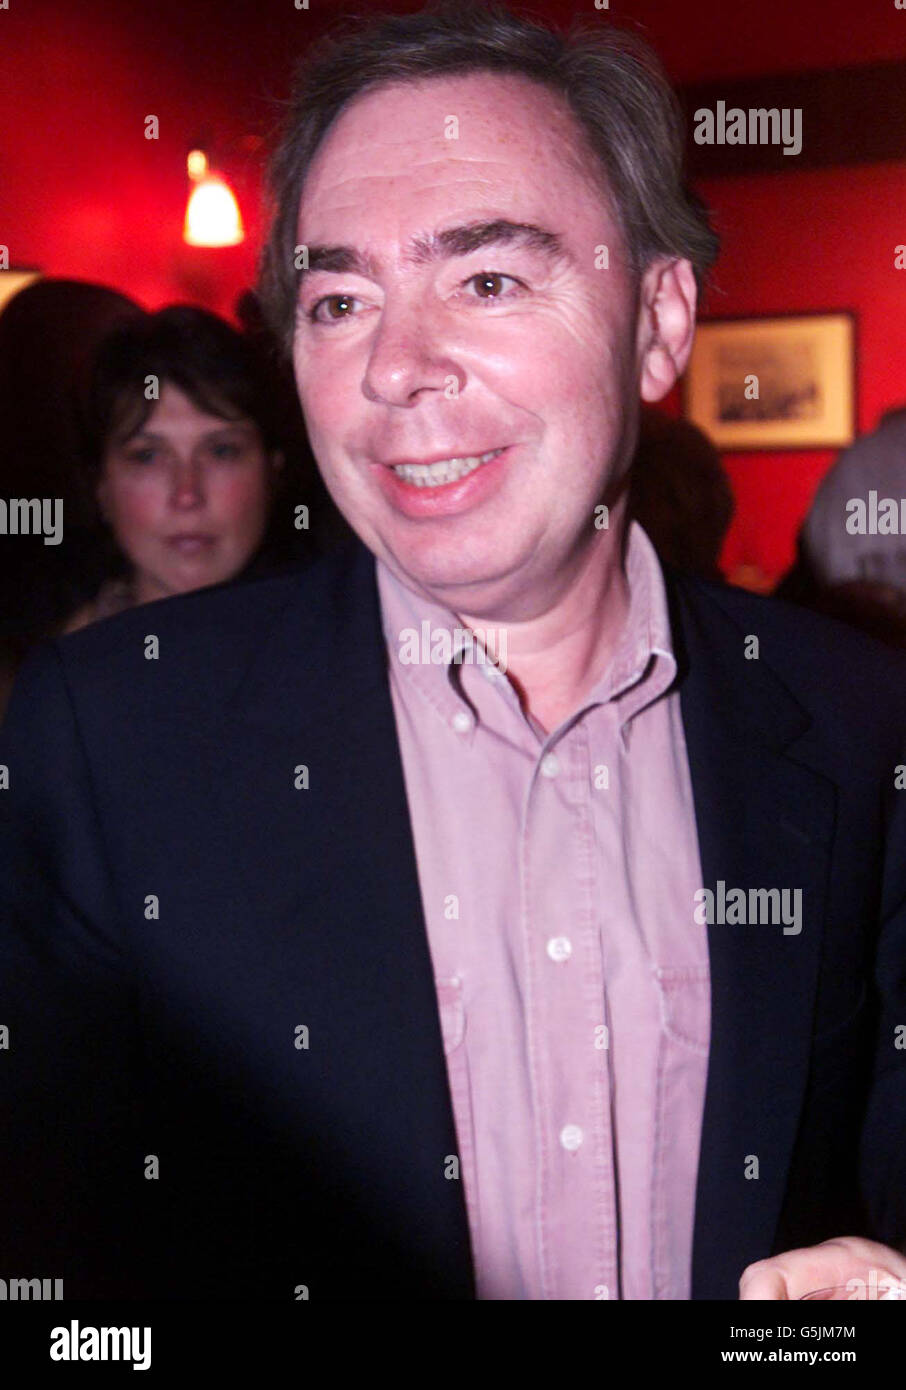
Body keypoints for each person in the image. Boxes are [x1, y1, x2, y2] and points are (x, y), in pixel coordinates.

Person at [2, 1, 906, 1302]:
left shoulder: (857, 722)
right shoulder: (112, 737)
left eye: (485, 277)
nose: (396, 367)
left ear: (656, 323)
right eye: (339, 298)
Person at [62, 304, 309, 633]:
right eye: (147, 456)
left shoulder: (352, 656)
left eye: (222, 451)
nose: (187, 494)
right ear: (101, 487)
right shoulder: (56, 674)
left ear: (271, 472)